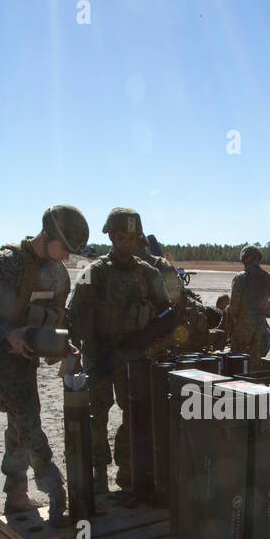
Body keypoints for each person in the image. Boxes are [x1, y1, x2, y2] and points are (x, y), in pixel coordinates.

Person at [0, 205, 88, 523]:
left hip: (27, 358)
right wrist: (7, 333)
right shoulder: (7, 264)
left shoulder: (58, 274)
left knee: (18, 424)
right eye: (65, 249)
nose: (67, 258)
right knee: (28, 418)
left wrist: (66, 347)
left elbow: (60, 319)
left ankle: (15, 496)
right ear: (47, 235)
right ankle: (54, 487)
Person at [71, 207, 170, 495]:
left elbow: (166, 314)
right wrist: (74, 351)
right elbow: (75, 316)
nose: (123, 242)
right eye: (118, 236)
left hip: (135, 356)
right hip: (100, 354)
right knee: (97, 415)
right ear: (111, 236)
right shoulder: (95, 273)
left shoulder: (148, 273)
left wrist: (149, 346)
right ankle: (99, 474)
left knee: (134, 414)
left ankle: (127, 472)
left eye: (129, 237)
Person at [227, 245, 270, 368]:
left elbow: (233, 307)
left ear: (245, 259)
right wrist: (264, 313)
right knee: (255, 364)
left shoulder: (240, 278)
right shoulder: (269, 278)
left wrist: (235, 322)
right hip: (261, 327)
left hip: (243, 329)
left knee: (237, 364)